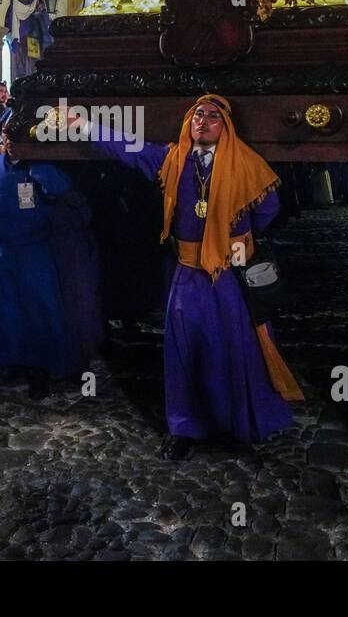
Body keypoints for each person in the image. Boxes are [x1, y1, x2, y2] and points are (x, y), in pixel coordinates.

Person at [89, 93, 300, 459]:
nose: (203, 121)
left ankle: (236, 422)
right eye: (197, 114)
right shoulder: (173, 158)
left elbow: (268, 208)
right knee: (185, 347)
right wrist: (85, 126)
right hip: (188, 273)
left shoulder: (245, 163)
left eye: (213, 116)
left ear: (226, 126)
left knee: (234, 346)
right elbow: (128, 147)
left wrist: (237, 241)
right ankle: (185, 426)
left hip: (230, 276)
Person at [0, 125, 86, 401]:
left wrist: (40, 171)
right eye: (8, 138)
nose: (12, 144)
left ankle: (39, 373)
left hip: (34, 252)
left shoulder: (41, 168)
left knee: (38, 312)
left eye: (18, 139)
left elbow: (62, 191)